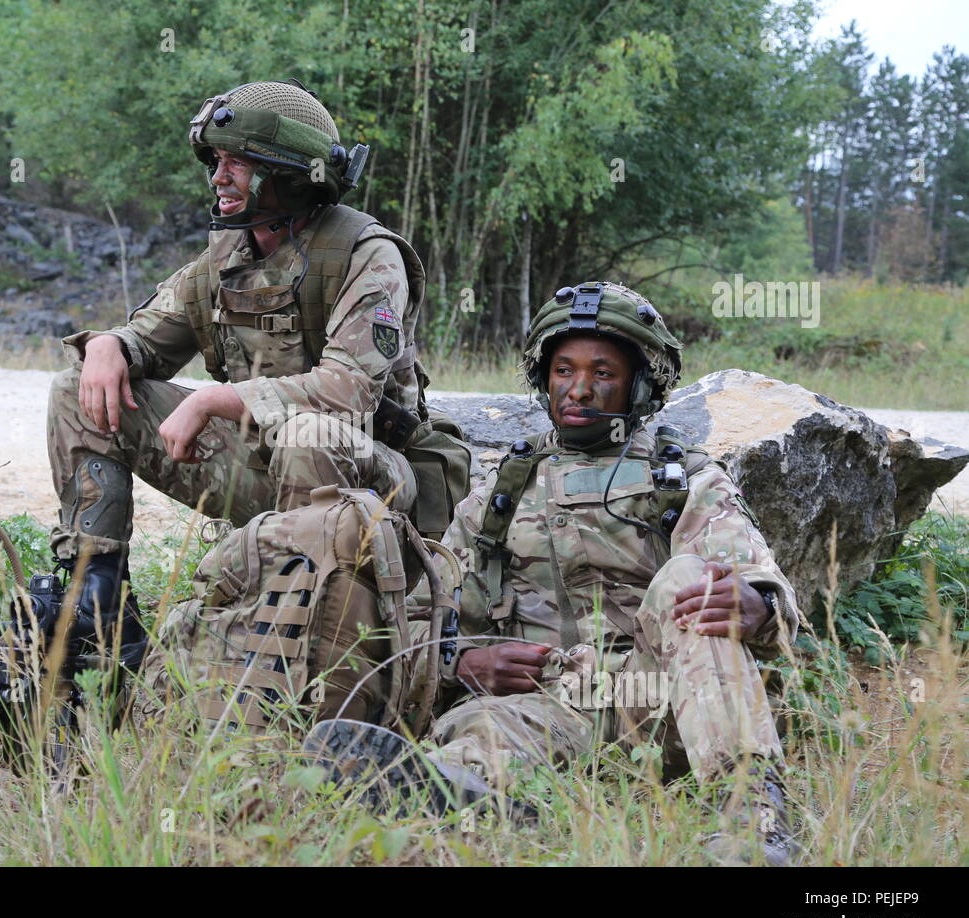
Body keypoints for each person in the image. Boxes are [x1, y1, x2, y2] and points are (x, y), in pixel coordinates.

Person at [305, 281, 803, 865]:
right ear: (544, 377)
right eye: (564, 369)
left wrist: (761, 607)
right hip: (546, 703)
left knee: (691, 579)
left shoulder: (688, 482)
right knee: (482, 740)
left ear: (640, 384)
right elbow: (419, 618)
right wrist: (459, 661)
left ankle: (753, 818)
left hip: (664, 703)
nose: (580, 390)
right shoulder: (505, 491)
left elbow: (760, 596)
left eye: (603, 373)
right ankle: (456, 799)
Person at [45, 80, 466, 657]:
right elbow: (143, 340)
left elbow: (348, 391)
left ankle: (291, 632)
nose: (219, 177)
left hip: (374, 489)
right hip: (266, 467)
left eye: (239, 163)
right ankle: (96, 612)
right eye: (217, 160)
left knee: (308, 432)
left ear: (294, 174)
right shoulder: (228, 256)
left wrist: (212, 400)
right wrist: (106, 347)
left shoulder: (366, 254)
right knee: (79, 389)